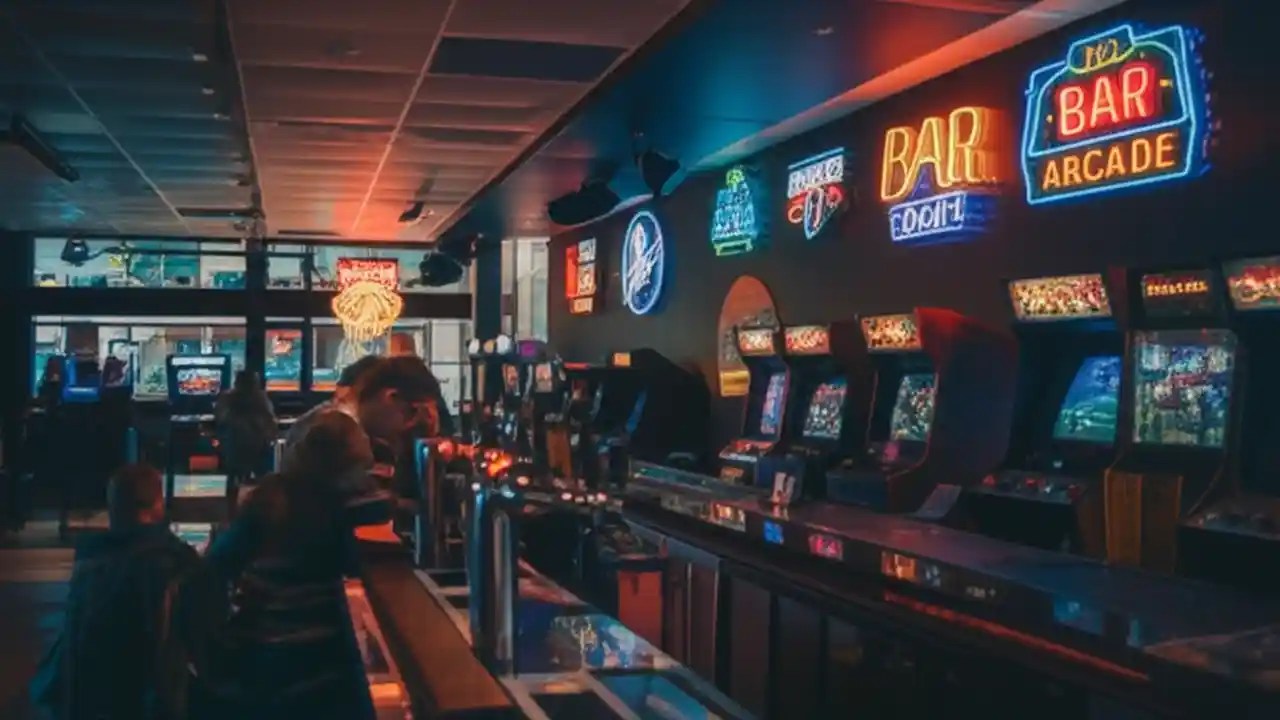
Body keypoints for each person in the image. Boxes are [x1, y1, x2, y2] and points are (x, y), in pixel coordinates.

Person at [205, 412, 377, 720]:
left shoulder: (271, 499)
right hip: (320, 663)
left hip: (261, 655)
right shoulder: (355, 508)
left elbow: (214, 567)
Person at [32, 464, 212, 720]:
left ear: (113, 509)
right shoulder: (177, 562)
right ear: (159, 505)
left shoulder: (90, 560)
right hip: (155, 703)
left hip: (90, 702)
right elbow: (204, 638)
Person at [214, 371, 277, 496]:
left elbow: (220, 419)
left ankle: (231, 503)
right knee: (265, 474)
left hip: (234, 447)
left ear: (236, 382)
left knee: (232, 476)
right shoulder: (261, 399)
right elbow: (271, 422)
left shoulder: (227, 398)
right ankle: (265, 501)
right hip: (258, 447)